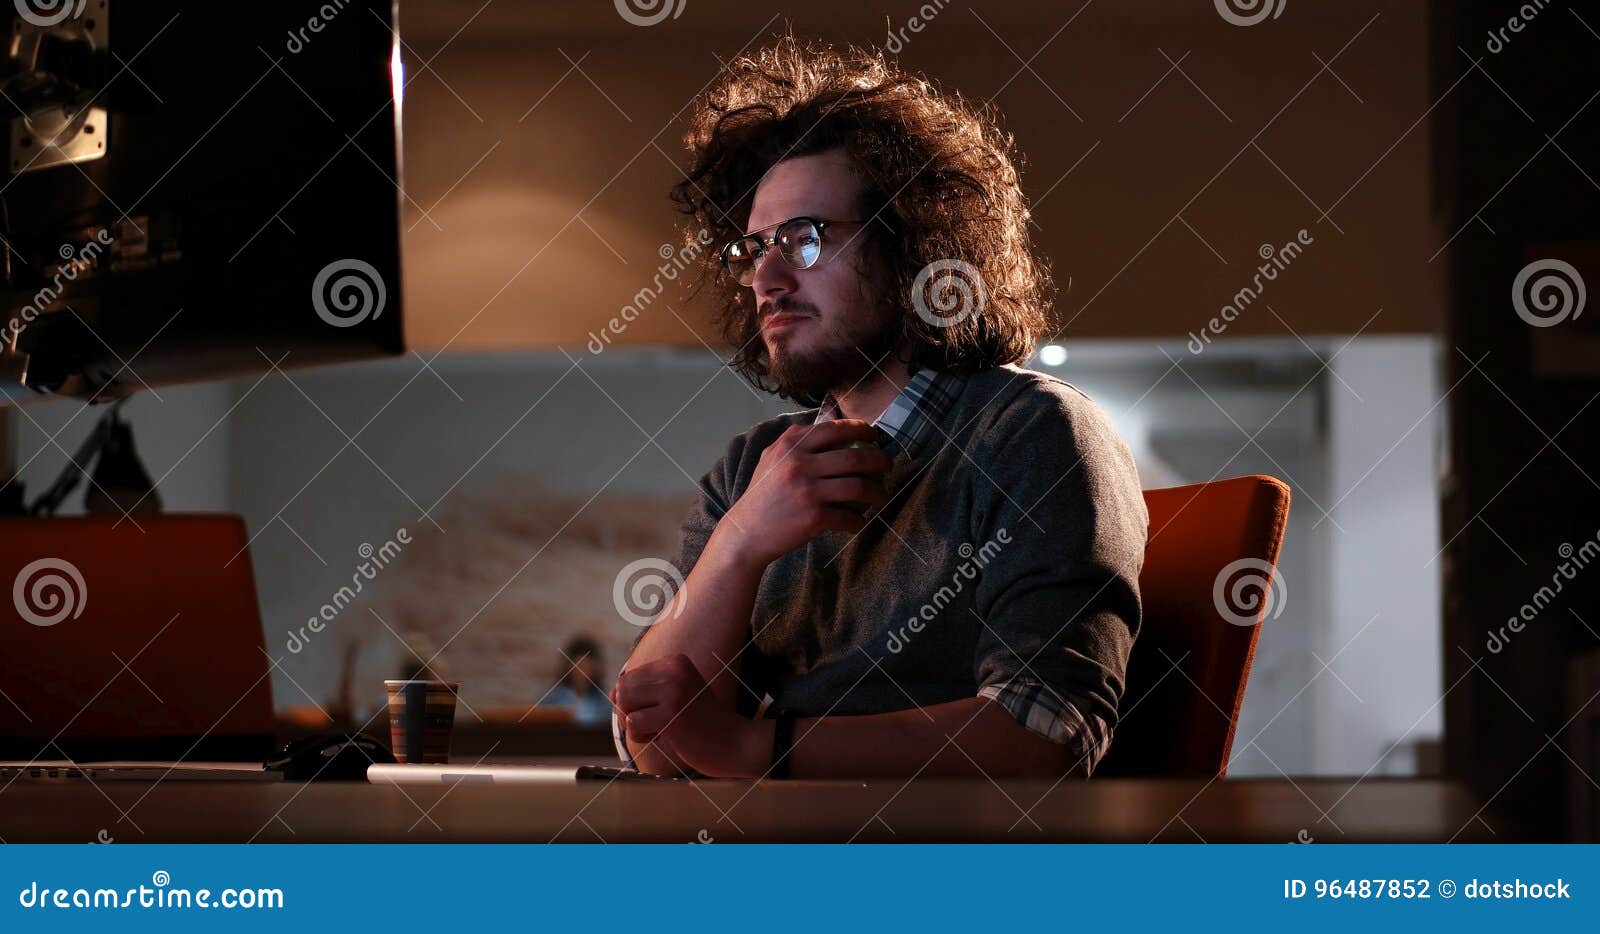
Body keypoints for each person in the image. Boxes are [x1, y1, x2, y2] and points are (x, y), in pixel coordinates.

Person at [610, 38, 1148, 780]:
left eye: (803, 239)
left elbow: (1044, 733)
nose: (766, 277)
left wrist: (753, 748)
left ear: (913, 247)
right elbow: (647, 740)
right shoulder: (751, 469)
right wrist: (738, 542)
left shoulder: (1034, 432)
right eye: (754, 248)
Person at [544, 636, 611, 727]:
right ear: (569, 666)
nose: (582, 672)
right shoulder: (551, 699)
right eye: (579, 666)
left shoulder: (604, 704)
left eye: (587, 667)